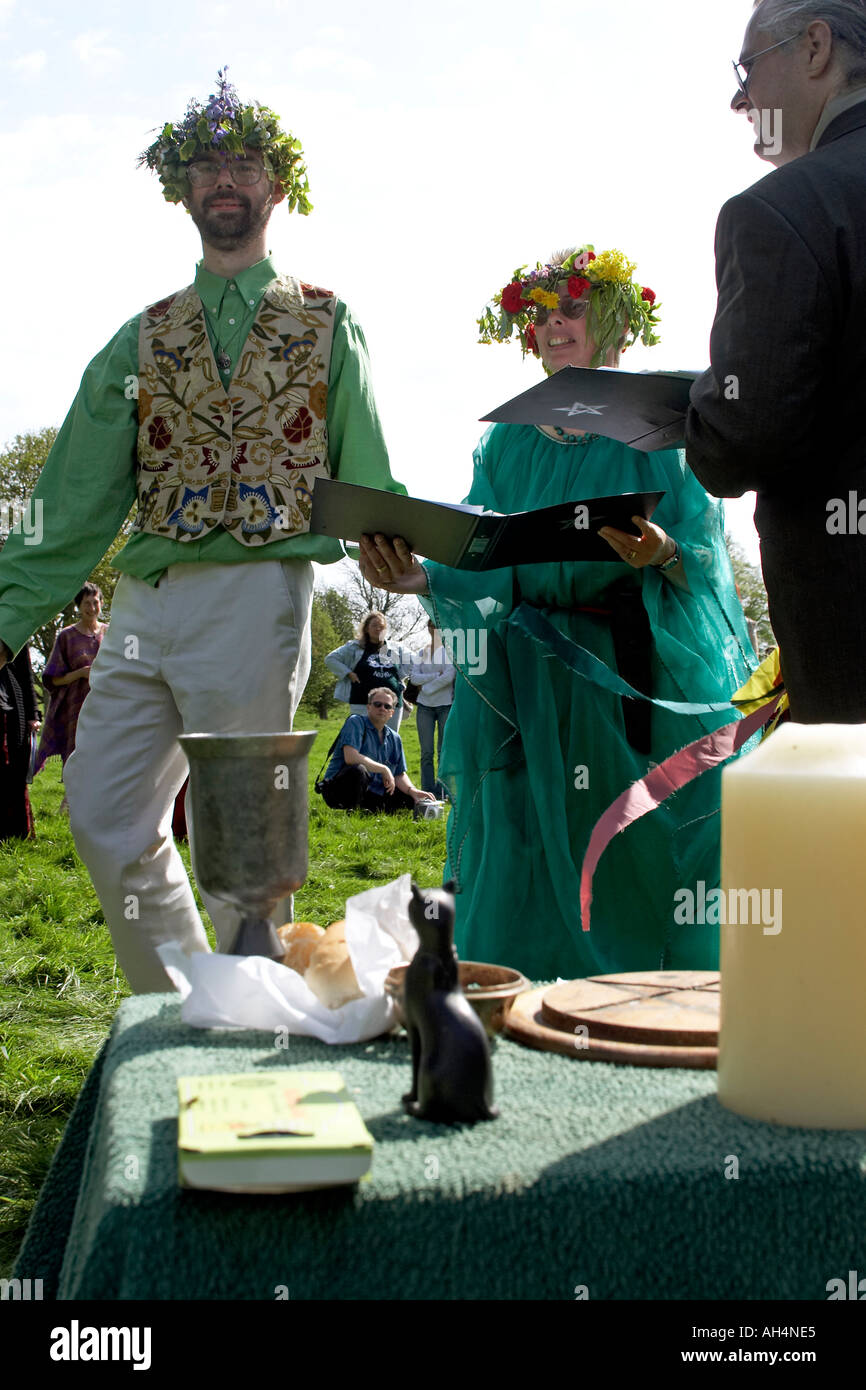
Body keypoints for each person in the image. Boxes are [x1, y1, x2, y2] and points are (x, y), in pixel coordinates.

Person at [0, 71, 404, 993]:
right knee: (101, 810)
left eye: (245, 163)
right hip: (145, 601)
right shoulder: (139, 340)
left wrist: (405, 551)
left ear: (277, 186)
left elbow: (370, 474)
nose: (226, 178)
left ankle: (256, 1026)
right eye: (207, 166)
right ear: (181, 190)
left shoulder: (327, 322)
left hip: (258, 592)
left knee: (243, 844)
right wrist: (6, 617)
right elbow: (69, 500)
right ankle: (188, 1005)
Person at [359, 244, 756, 981]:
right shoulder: (508, 440)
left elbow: (703, 551)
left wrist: (665, 552)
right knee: (522, 833)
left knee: (629, 840)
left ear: (613, 321)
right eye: (540, 314)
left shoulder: (661, 423)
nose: (554, 324)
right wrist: (420, 575)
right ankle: (520, 996)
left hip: (623, 672)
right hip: (524, 677)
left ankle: (639, 995)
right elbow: (482, 548)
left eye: (573, 307)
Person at [685, 0, 866, 723]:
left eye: (747, 68)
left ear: (815, 46)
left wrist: (697, 409)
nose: (739, 99)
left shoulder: (784, 209)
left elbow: (741, 440)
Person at [319, 688, 434, 813]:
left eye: (387, 706)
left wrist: (412, 790)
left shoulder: (395, 738)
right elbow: (350, 757)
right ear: (368, 707)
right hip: (338, 790)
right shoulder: (356, 722)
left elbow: (399, 774)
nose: (382, 708)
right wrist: (384, 769)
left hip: (372, 790)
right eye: (377, 704)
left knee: (410, 800)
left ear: (392, 712)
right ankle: (354, 811)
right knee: (358, 770)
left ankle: (368, 809)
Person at [34, 584, 106, 784]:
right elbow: (53, 678)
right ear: (78, 606)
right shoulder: (66, 636)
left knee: (105, 754)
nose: (91, 607)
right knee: (77, 755)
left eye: (95, 602)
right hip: (77, 708)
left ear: (101, 603)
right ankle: (71, 800)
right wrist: (80, 674)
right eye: (86, 603)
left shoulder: (112, 634)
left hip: (107, 706)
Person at [324, 611, 411, 731]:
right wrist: (348, 673)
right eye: (374, 625)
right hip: (362, 701)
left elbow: (414, 660)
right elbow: (331, 659)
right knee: (364, 739)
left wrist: (400, 676)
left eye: (382, 626)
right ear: (366, 628)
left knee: (389, 739)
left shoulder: (396, 648)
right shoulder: (354, 647)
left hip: (392, 703)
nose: (378, 629)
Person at [0, 645, 39, 841]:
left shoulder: (14, 628)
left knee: (14, 773)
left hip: (10, 709)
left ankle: (17, 833)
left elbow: (26, 673)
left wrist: (33, 714)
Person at [412, 620, 455, 796]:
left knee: (442, 752)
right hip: (424, 707)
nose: (434, 628)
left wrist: (427, 687)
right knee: (426, 752)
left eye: (437, 625)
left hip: (445, 705)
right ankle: (428, 792)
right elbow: (414, 678)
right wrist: (434, 675)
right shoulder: (422, 652)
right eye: (431, 625)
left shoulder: (450, 651)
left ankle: (443, 792)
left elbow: (450, 675)